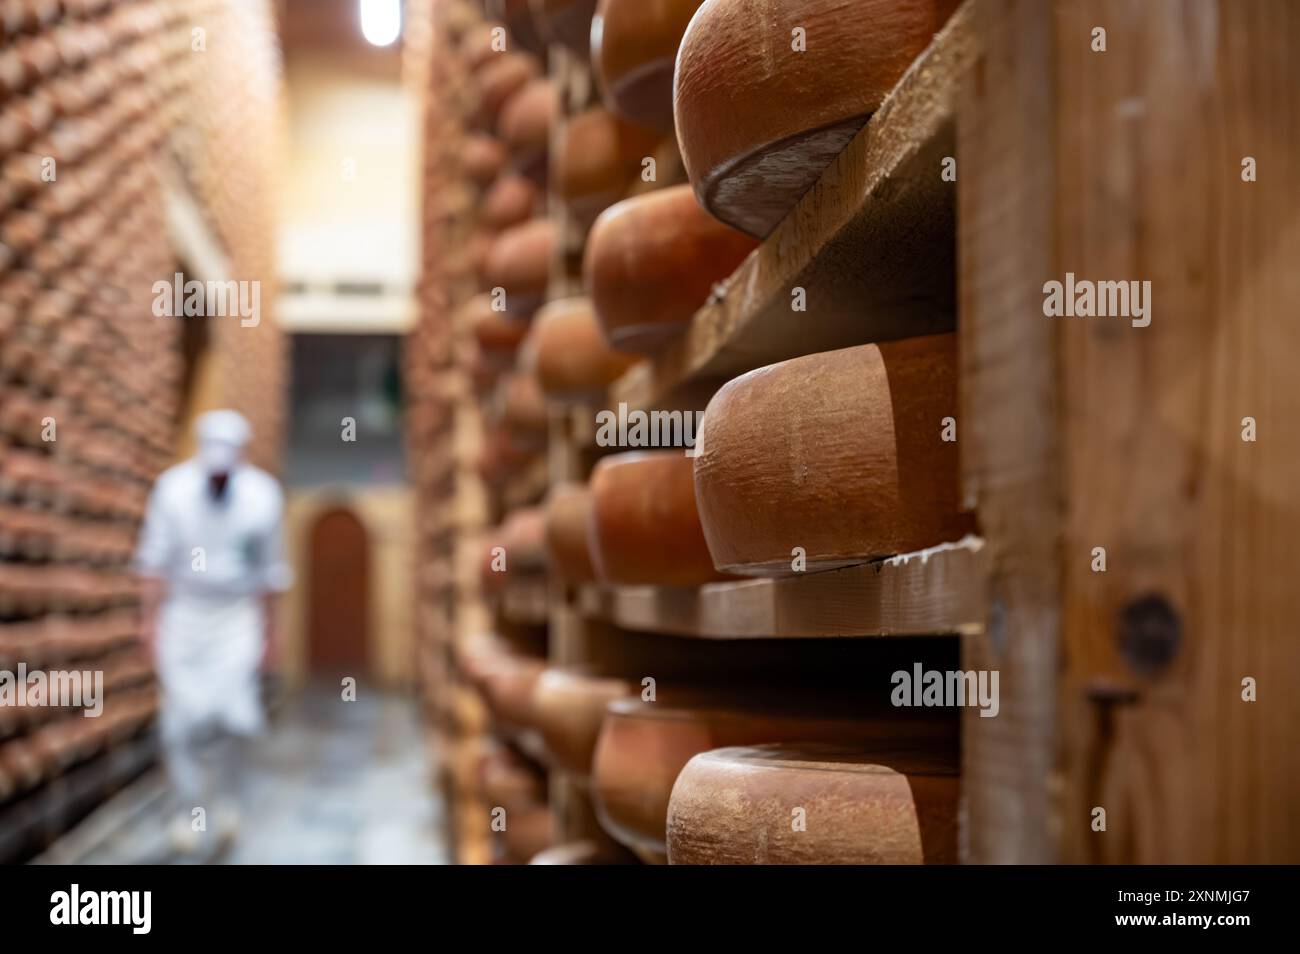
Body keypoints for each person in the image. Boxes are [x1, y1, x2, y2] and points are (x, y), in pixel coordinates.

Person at [136, 409, 293, 855]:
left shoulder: (263, 496)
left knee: (233, 715)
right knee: (181, 723)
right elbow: (153, 560)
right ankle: (187, 812)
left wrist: (272, 633)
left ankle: (228, 802)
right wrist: (148, 622)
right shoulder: (172, 490)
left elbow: (271, 571)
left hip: (236, 615)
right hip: (184, 612)